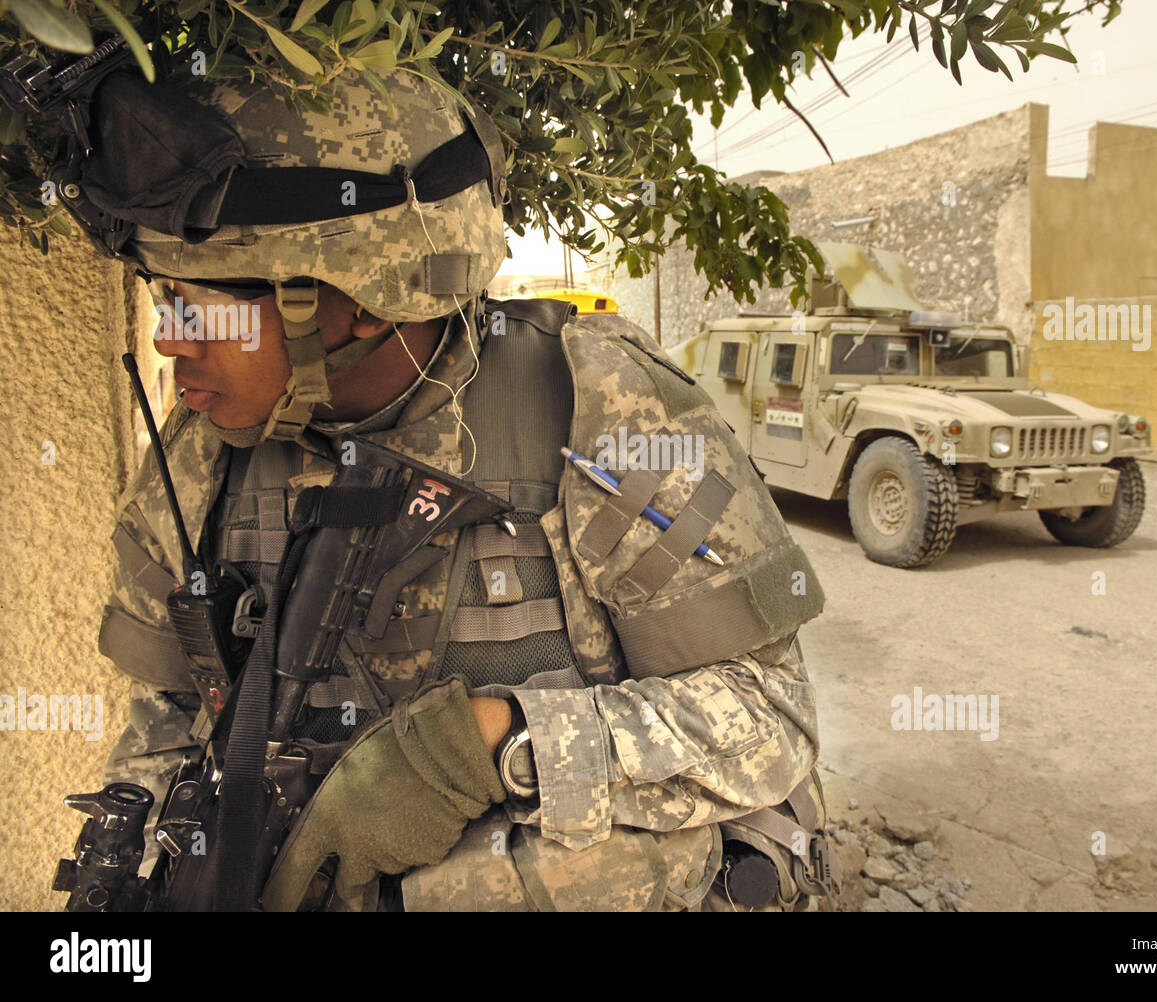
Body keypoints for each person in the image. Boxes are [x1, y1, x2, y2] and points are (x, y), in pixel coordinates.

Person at [89, 62, 834, 911]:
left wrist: (492, 743)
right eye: (163, 295)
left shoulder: (597, 405)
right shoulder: (203, 457)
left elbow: (769, 720)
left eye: (205, 303)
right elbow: (166, 722)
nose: (170, 339)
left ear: (366, 300)